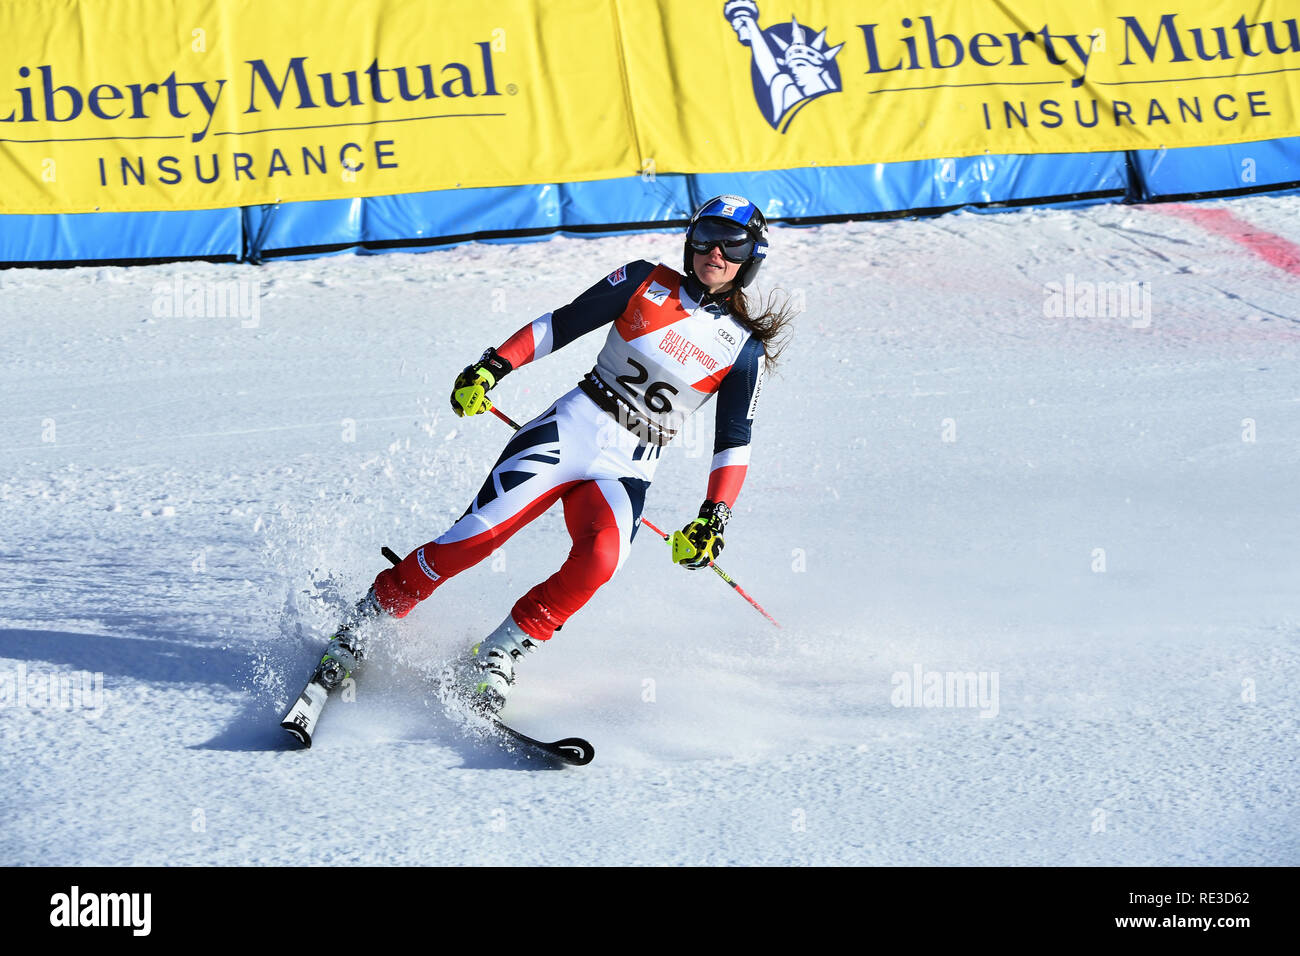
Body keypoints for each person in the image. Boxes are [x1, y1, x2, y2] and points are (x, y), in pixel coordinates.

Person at [317, 194, 795, 711]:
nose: (715, 253)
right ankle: (368, 619)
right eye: (704, 239)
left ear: (752, 256)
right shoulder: (643, 280)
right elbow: (561, 324)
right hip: (572, 427)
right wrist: (493, 366)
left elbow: (733, 446)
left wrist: (713, 519)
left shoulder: (744, 348)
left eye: (731, 244)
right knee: (473, 540)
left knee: (602, 559)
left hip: (630, 465)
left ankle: (498, 653)